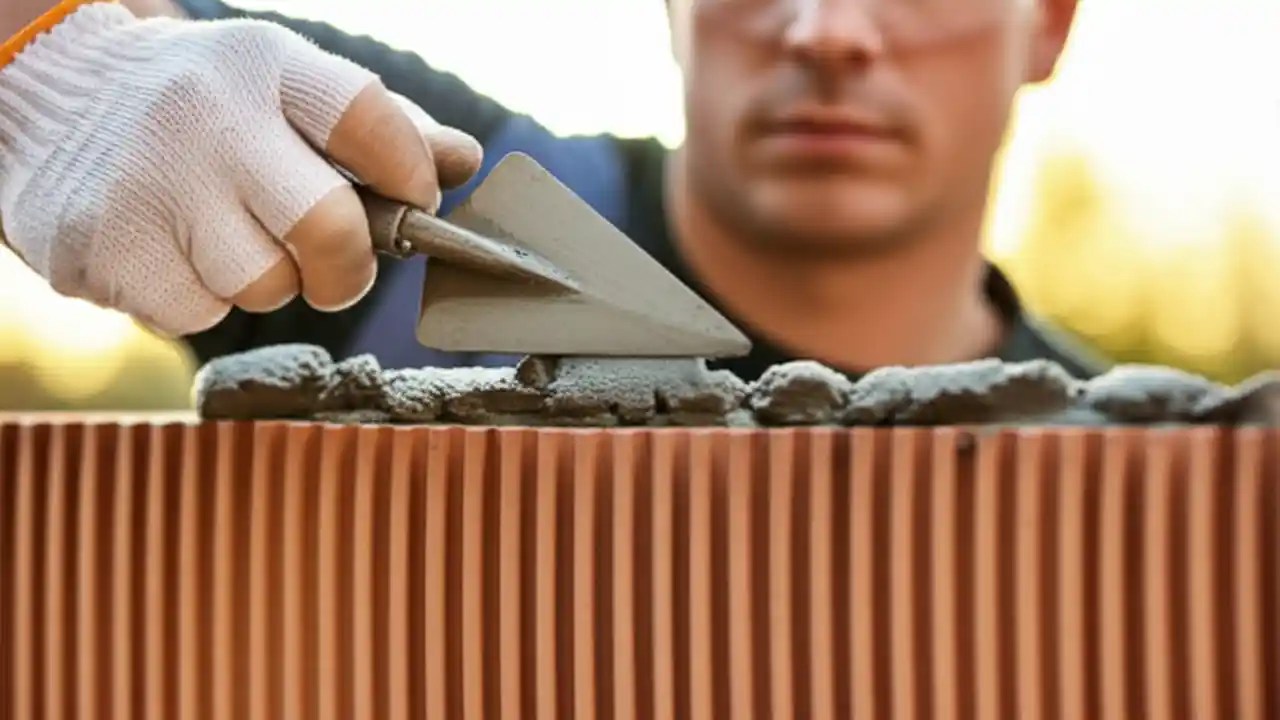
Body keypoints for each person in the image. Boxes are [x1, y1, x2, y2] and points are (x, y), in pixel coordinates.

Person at [0, 0, 1107, 382]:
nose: (826, 31)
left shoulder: (1146, 469)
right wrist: (51, 69)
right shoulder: (444, 198)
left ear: (1048, 24)